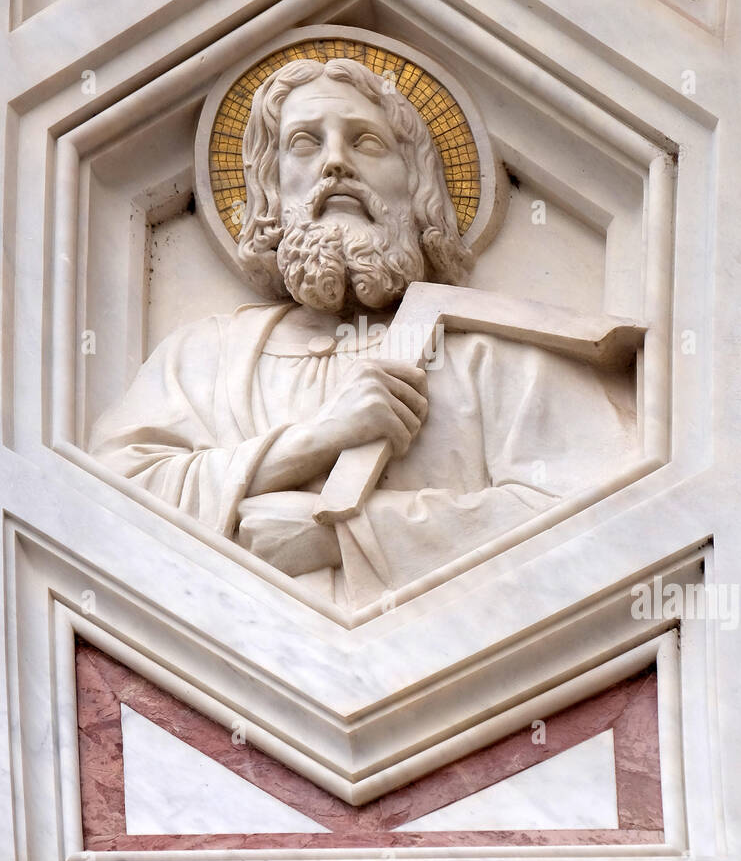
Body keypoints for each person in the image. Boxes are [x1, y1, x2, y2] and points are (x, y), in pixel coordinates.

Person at [90, 58, 636, 609]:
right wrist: (318, 438)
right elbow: (109, 507)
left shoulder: (493, 355)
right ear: (271, 191)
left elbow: (603, 515)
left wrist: (344, 535)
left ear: (418, 186)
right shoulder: (200, 358)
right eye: (304, 143)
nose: (335, 164)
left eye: (367, 143)